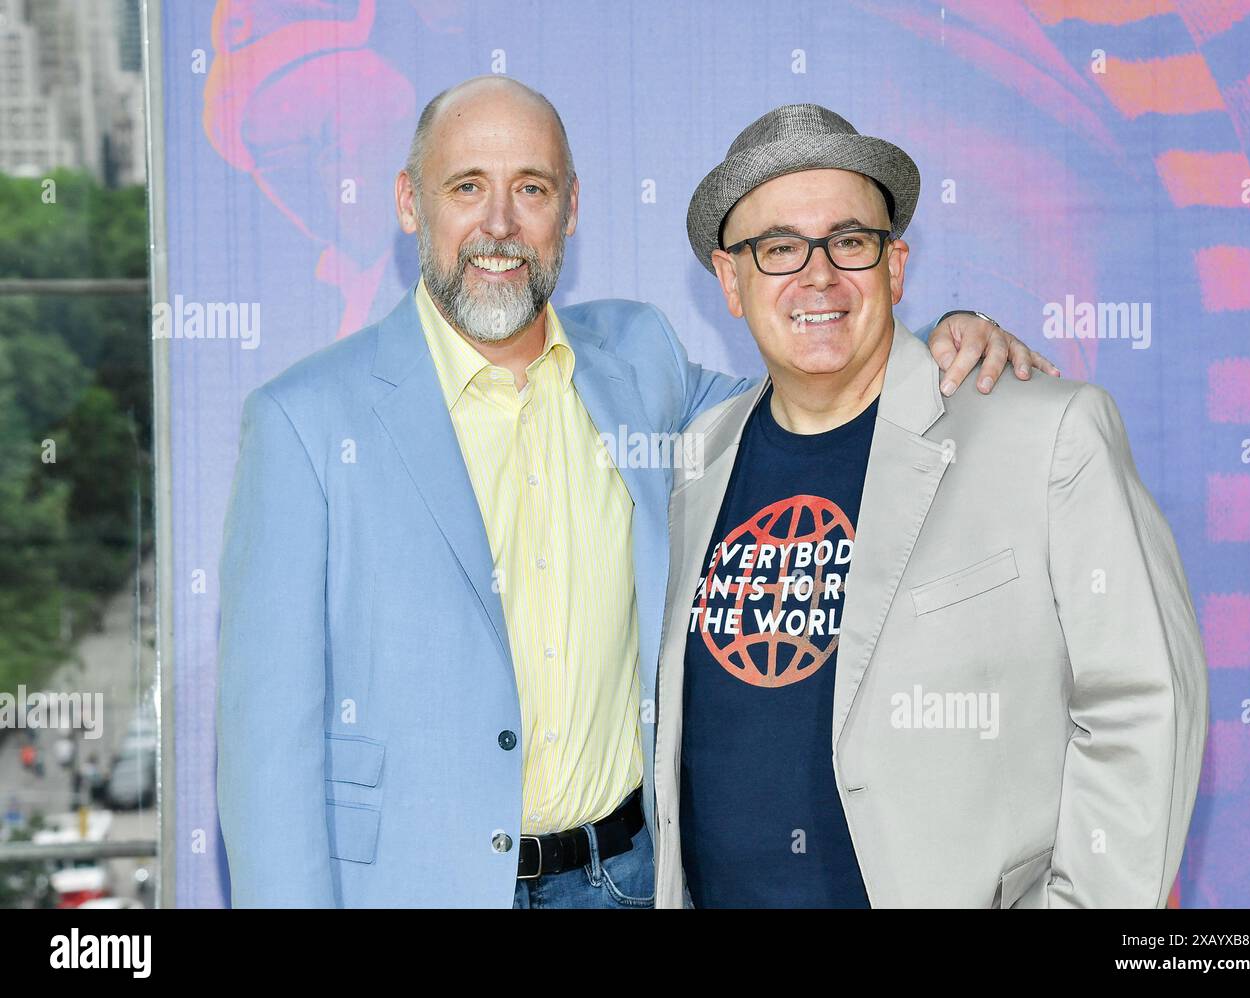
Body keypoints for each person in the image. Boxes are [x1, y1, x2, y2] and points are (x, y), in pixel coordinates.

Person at [216, 77, 1053, 908]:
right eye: (467, 186)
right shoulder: (306, 421)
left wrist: (941, 338)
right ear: (409, 202)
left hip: (624, 883)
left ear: (571, 209)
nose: (500, 224)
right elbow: (267, 750)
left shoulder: (640, 362)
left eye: (532, 189)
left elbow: (820, 392)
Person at [652, 103, 1208, 908]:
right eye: (779, 249)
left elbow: (1145, 703)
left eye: (849, 241)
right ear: (731, 282)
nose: (818, 275)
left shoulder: (1045, 430)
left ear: (896, 266)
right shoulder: (699, 457)